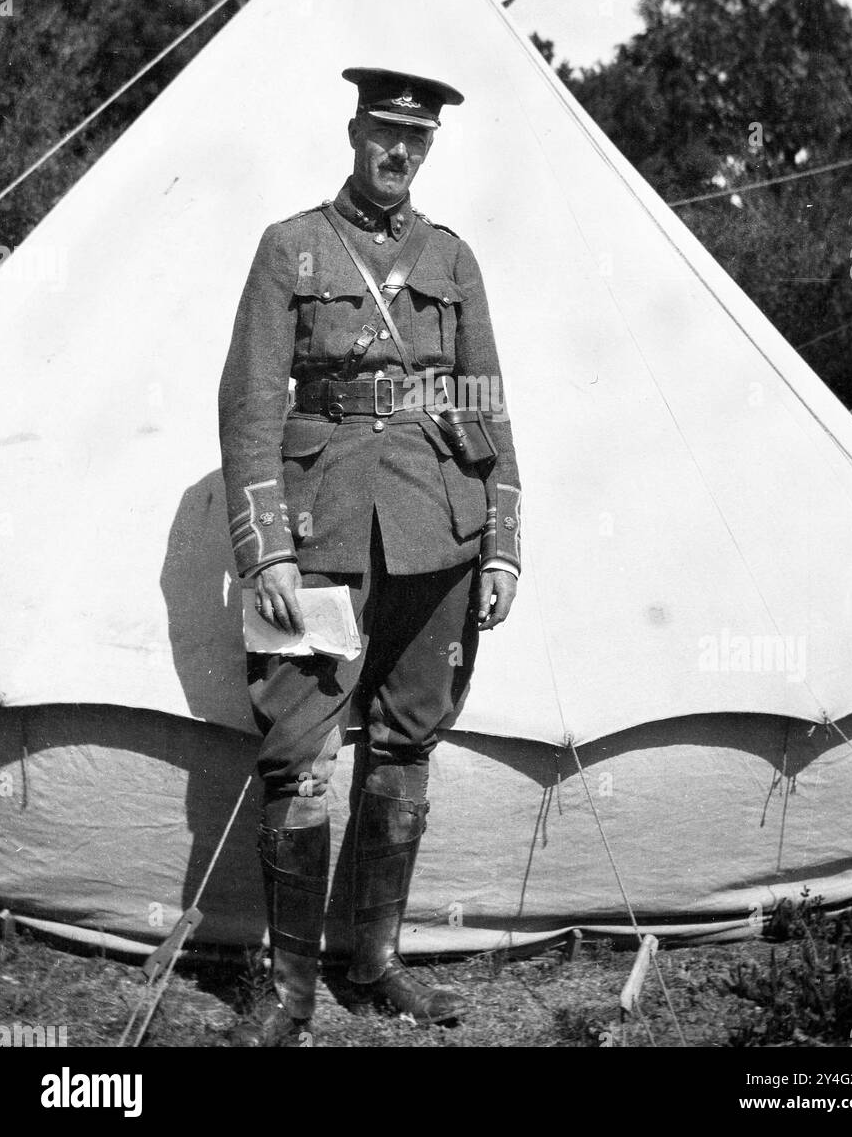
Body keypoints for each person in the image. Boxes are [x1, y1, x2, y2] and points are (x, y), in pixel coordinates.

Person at [218, 66, 521, 1045]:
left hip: (438, 532)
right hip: (319, 532)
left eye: (417, 139)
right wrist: (264, 547)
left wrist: (503, 545)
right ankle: (289, 991)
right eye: (386, 133)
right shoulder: (291, 246)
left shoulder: (452, 256)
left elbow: (485, 403)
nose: (400, 151)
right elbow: (250, 407)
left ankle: (377, 960)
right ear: (354, 132)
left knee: (406, 742)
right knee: (295, 754)